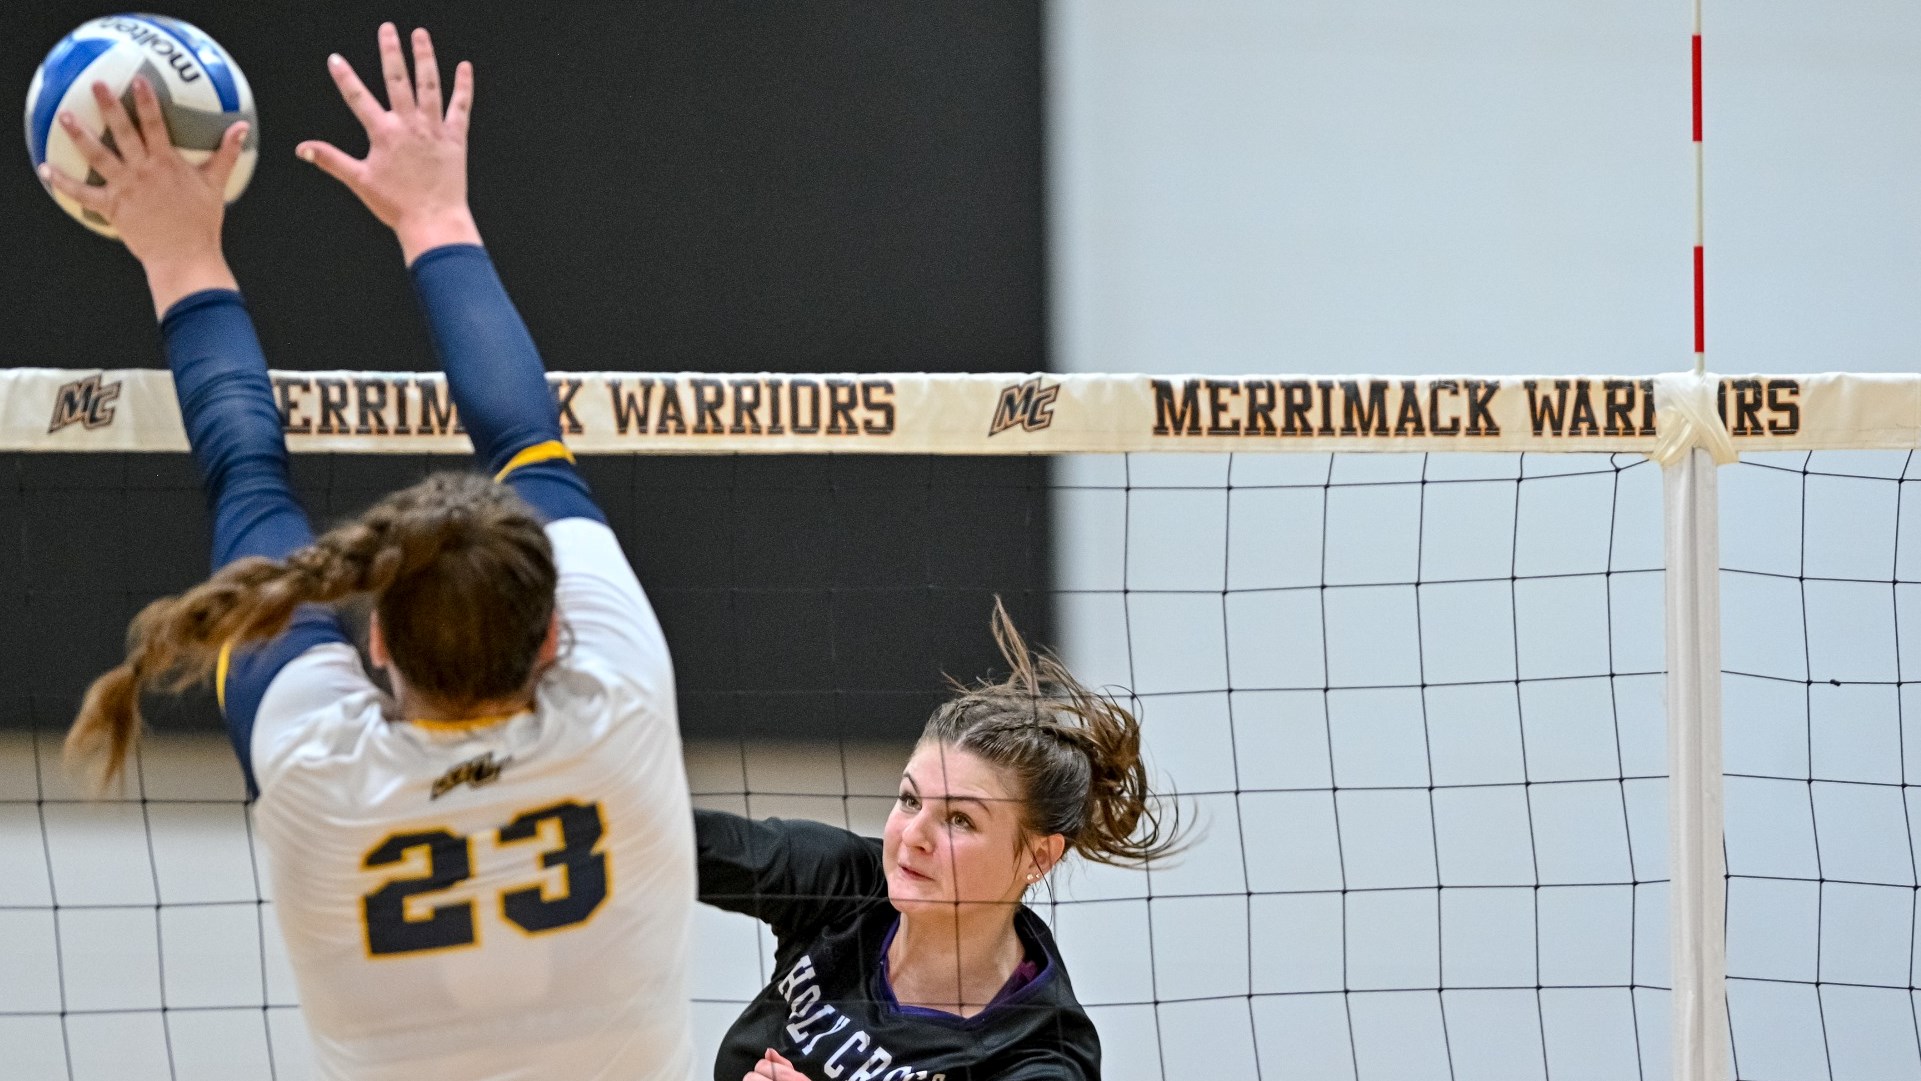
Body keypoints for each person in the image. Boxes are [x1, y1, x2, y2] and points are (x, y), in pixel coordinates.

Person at [53, 24, 696, 1081]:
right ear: (553, 639)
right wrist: (429, 216)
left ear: (378, 638)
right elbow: (521, 442)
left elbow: (250, 477)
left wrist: (178, 246)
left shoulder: (323, 769)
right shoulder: (615, 707)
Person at [697, 603, 1182, 1081]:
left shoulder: (1041, 1052)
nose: (913, 837)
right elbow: (687, 847)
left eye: (959, 820)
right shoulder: (847, 886)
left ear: (1038, 856)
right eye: (910, 799)